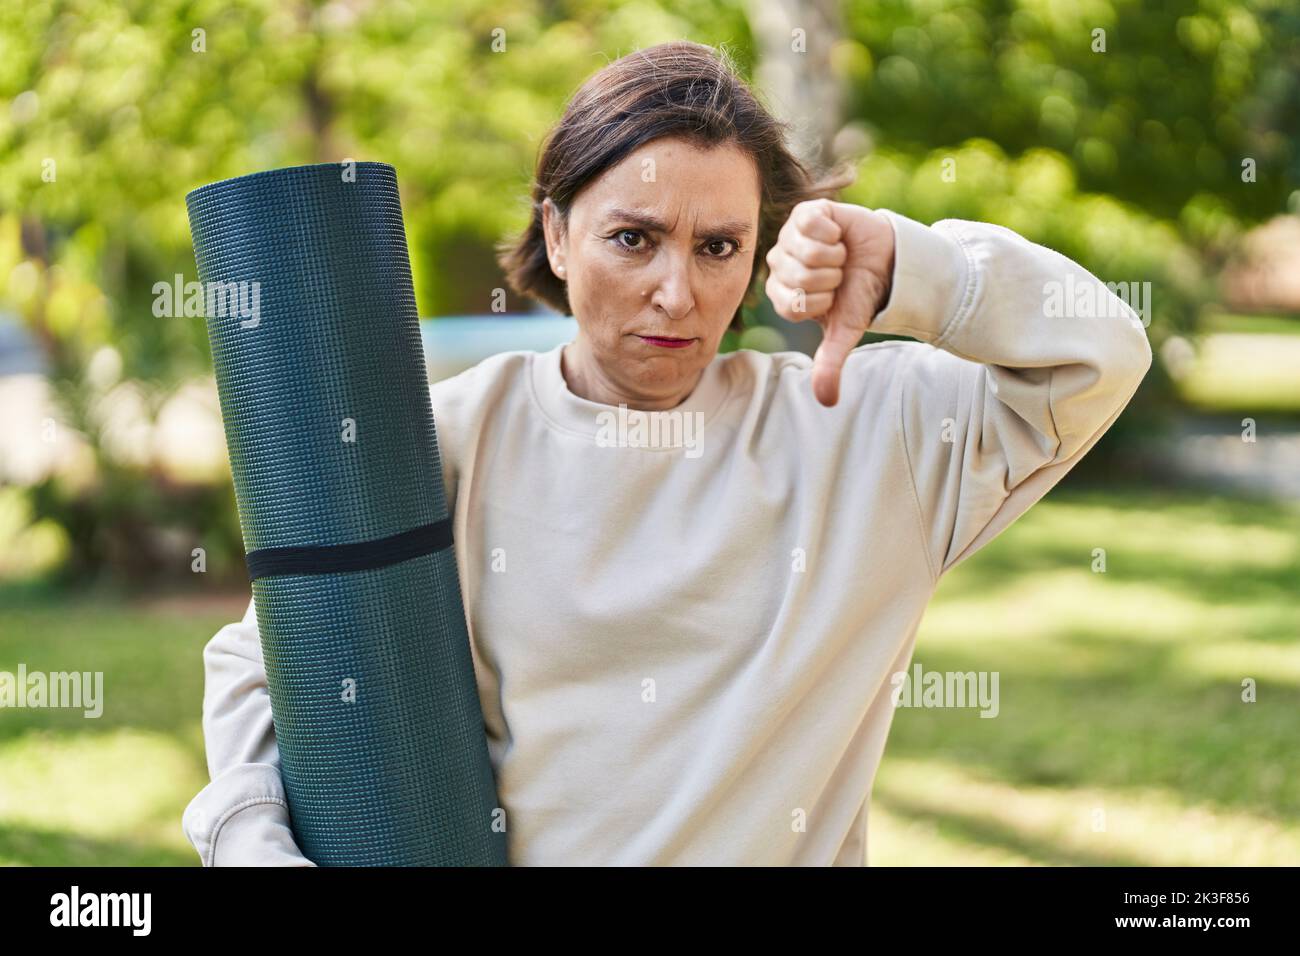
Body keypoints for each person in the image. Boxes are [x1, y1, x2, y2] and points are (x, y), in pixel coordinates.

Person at [181, 40, 1151, 866]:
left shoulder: (867, 432)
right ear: (557, 234)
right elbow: (270, 659)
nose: (676, 293)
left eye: (719, 247)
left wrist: (910, 265)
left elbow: (1099, 355)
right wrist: (248, 841)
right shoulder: (443, 440)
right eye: (634, 238)